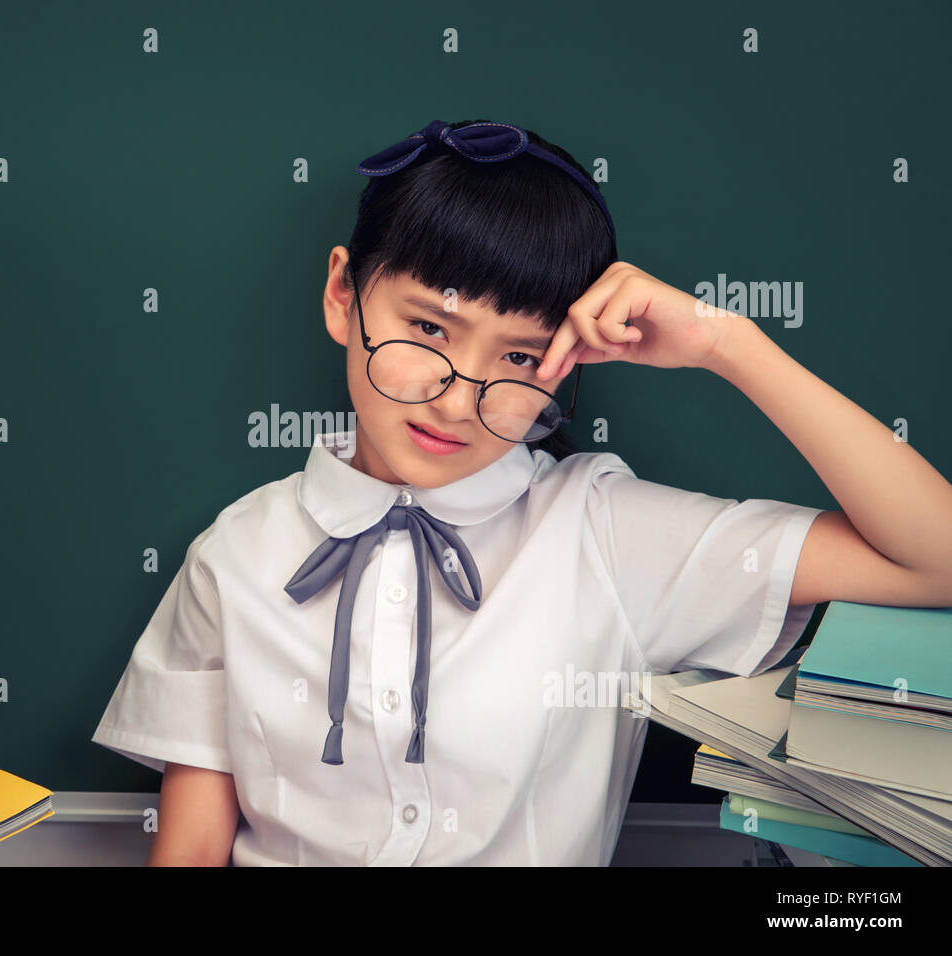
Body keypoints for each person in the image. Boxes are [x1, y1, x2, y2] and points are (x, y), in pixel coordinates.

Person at [90, 118, 952, 866]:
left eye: (519, 358)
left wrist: (726, 342)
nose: (459, 401)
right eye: (428, 328)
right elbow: (193, 850)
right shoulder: (236, 552)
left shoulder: (604, 533)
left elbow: (934, 561)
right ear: (342, 294)